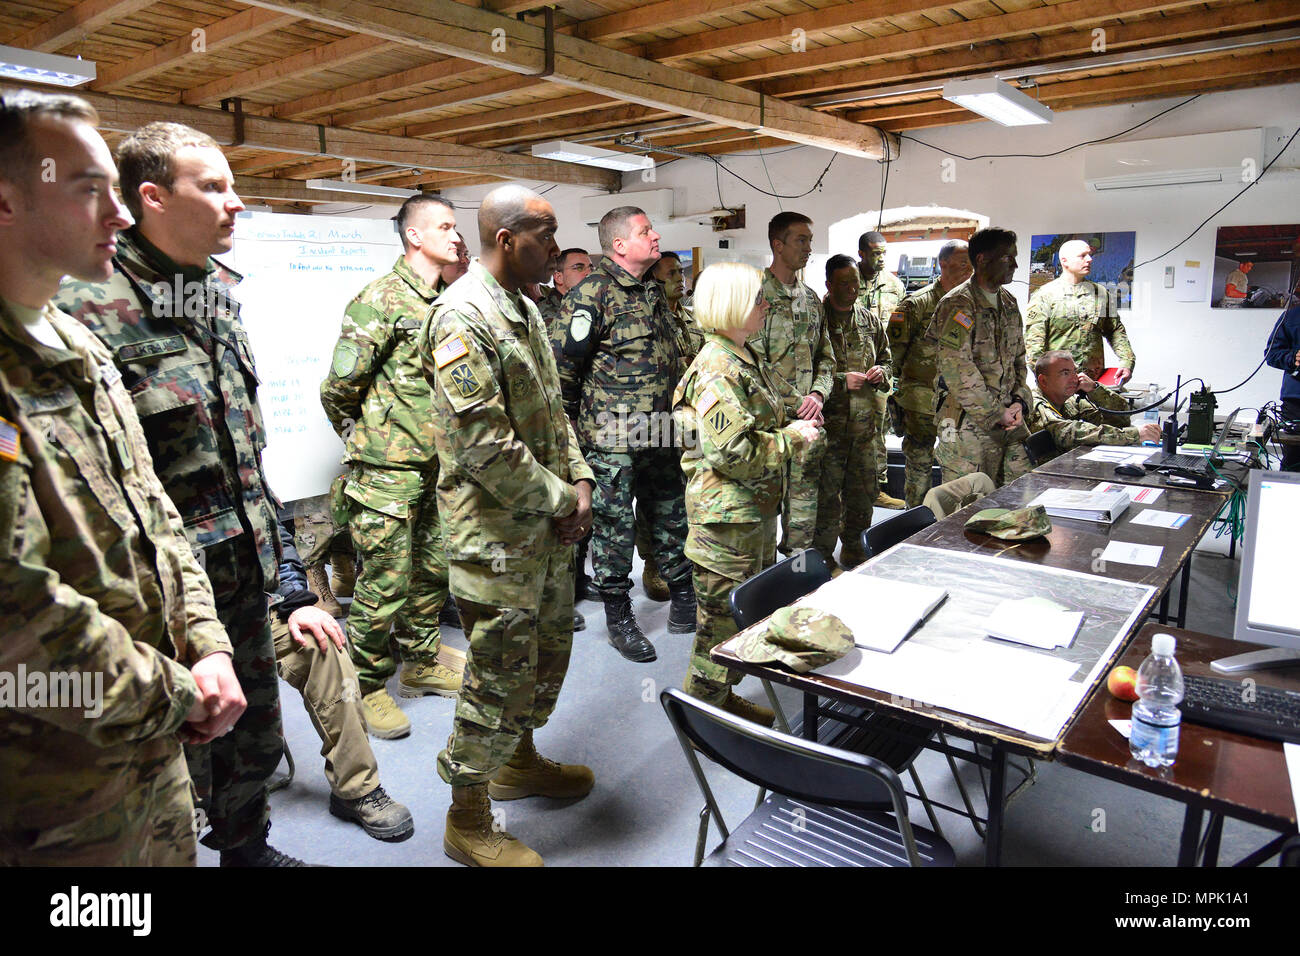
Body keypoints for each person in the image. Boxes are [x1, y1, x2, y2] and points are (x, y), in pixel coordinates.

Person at [55, 121, 308, 866]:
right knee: (162, 767)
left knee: (253, 733)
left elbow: (245, 443)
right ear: (153, 197)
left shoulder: (218, 296)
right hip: (157, 599)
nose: (237, 204)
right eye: (215, 187)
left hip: (239, 570)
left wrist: (285, 561)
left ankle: (247, 847)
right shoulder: (85, 307)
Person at [0, 91, 242, 866]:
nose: (119, 212)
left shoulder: (75, 341)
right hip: (49, 786)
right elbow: (17, 613)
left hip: (148, 749)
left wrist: (205, 644)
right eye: (86, 189)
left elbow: (154, 510)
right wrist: (180, 692)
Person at [420, 184, 595, 868]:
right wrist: (563, 499)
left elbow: (554, 415)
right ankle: (467, 816)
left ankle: (517, 763)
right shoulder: (462, 317)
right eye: (545, 237)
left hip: (543, 525)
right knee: (495, 675)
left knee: (544, 657)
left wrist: (578, 479)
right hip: (494, 538)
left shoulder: (524, 306)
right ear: (506, 240)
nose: (555, 249)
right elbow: (483, 446)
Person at [319, 193, 463, 741]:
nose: (455, 237)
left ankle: (421, 662)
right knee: (383, 581)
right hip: (387, 473)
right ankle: (367, 681)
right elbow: (339, 388)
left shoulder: (445, 300)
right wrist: (373, 444)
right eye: (445, 227)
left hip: (437, 466)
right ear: (414, 236)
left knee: (432, 569)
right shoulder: (379, 299)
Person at [674, 262, 820, 724]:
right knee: (716, 625)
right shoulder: (717, 369)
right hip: (726, 521)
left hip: (750, 512)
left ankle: (720, 695)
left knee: (740, 617)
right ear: (732, 305)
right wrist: (796, 437)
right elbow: (734, 452)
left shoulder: (742, 355)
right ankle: (702, 715)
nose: (765, 305)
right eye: (757, 298)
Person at [552, 207, 695, 664]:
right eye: (645, 231)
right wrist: (577, 432)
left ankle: (684, 595)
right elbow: (563, 371)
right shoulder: (590, 295)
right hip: (612, 439)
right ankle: (619, 615)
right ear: (619, 245)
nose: (655, 237)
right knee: (615, 529)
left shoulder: (652, 291)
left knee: (671, 515)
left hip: (661, 433)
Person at [750, 212, 834, 556]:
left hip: (807, 427)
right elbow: (754, 365)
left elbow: (827, 358)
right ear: (777, 244)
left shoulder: (812, 300)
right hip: (767, 428)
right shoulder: (754, 296)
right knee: (763, 517)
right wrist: (796, 402)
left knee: (802, 518)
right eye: (802, 240)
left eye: (810, 241)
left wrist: (818, 394)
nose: (809, 248)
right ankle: (762, 594)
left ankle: (795, 588)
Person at [926, 227, 1032, 488]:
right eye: (1008, 258)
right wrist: (996, 412)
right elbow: (957, 368)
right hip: (968, 427)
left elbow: (1019, 358)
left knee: (1018, 496)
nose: (1015, 265)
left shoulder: (1008, 302)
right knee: (967, 506)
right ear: (983, 260)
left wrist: (1019, 402)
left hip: (1009, 422)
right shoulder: (958, 304)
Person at [813, 254, 891, 570]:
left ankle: (854, 550)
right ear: (829, 284)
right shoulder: (816, 321)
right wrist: (842, 381)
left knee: (861, 497)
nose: (851, 289)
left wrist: (882, 373)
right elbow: (803, 374)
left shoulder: (869, 321)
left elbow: (888, 361)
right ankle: (821, 558)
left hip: (865, 430)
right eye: (844, 283)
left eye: (856, 283)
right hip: (828, 430)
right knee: (826, 501)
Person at [637, 250, 702, 602]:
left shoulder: (691, 319)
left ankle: (682, 559)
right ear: (654, 281)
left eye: (682, 272)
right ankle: (652, 564)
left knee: (687, 493)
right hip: (658, 420)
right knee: (654, 496)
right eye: (673, 273)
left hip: (691, 421)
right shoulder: (646, 320)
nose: (681, 278)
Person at [888, 239, 972, 507]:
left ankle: (948, 523)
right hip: (920, 405)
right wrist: (897, 395)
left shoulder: (969, 305)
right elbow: (892, 355)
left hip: (953, 407)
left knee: (953, 464)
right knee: (920, 465)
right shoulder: (916, 305)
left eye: (971, 265)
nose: (969, 271)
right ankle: (915, 521)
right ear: (943, 264)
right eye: (962, 265)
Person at [1025, 238, 1135, 384]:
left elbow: (1115, 331)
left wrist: (1126, 363)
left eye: (1090, 255)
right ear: (1064, 261)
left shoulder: (1100, 293)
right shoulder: (1044, 296)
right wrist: (1050, 382)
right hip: (1058, 387)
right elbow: (1034, 348)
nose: (1089, 259)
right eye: (1082, 256)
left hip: (1093, 384)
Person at [856, 230, 908, 509]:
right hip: (852, 372)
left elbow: (899, 332)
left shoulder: (894, 285)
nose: (881, 258)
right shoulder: (848, 281)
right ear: (862, 253)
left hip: (883, 371)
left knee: (878, 431)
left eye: (884, 253)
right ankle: (854, 489)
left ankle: (877, 488)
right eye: (875, 253)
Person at [1028, 350, 1159, 454]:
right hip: (1038, 476)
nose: (1074, 379)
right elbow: (1070, 433)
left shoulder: (1072, 400)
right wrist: (1133, 435)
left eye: (1075, 371)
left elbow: (1121, 419)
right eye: (1065, 373)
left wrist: (1095, 390)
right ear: (1044, 381)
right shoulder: (1034, 402)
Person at [1264, 296, 1300, 470]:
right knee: (1293, 464)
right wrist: (1293, 358)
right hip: (1296, 404)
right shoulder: (1291, 317)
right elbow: (1271, 354)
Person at [537, 247, 591, 330]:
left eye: (591, 268)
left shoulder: (592, 304)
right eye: (579, 268)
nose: (589, 273)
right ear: (559, 277)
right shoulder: (544, 312)